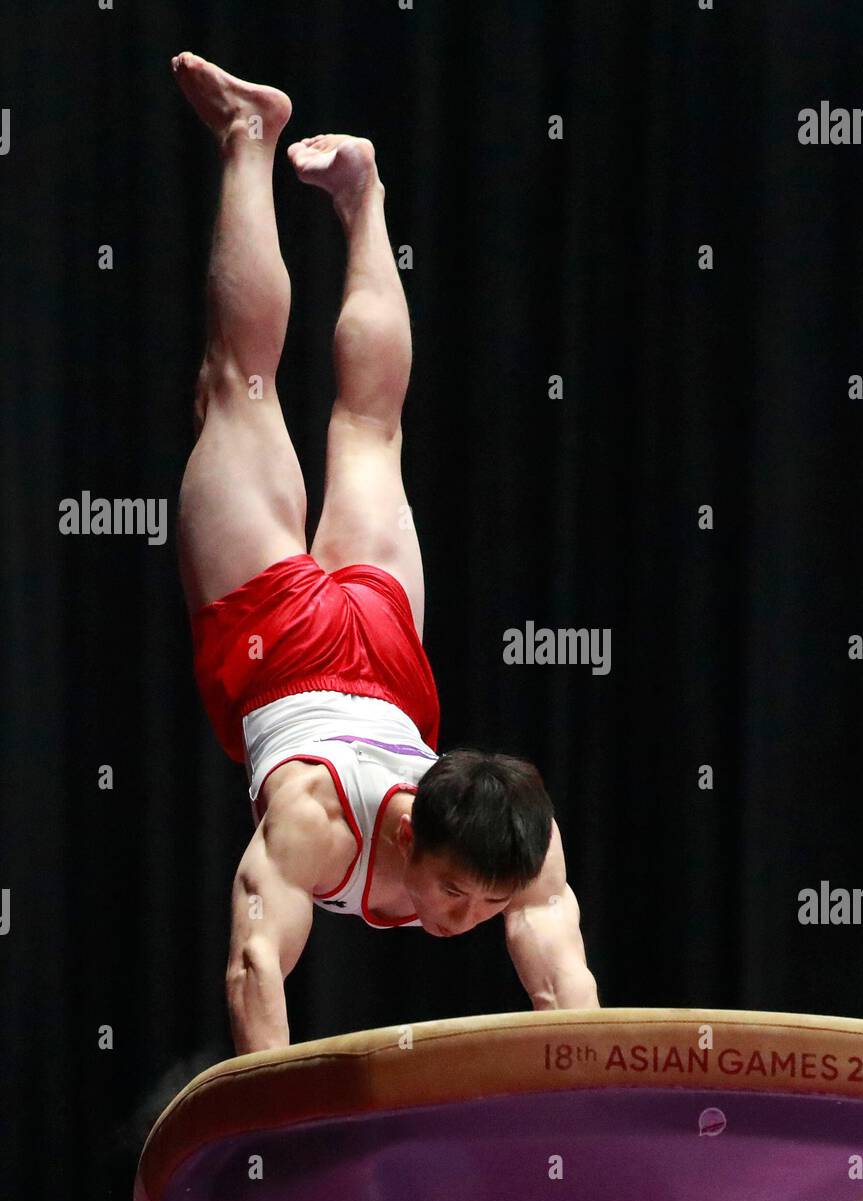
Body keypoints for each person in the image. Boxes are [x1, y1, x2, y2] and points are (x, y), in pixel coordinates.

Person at [171, 53, 598, 1055]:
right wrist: (267, 1145)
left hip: (389, 664)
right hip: (291, 643)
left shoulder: (515, 845)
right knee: (245, 388)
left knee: (364, 424)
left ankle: (364, 200)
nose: (463, 917)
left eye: (483, 903)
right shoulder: (321, 821)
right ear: (405, 830)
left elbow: (569, 1000)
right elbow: (252, 968)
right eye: (453, 891)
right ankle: (250, 137)